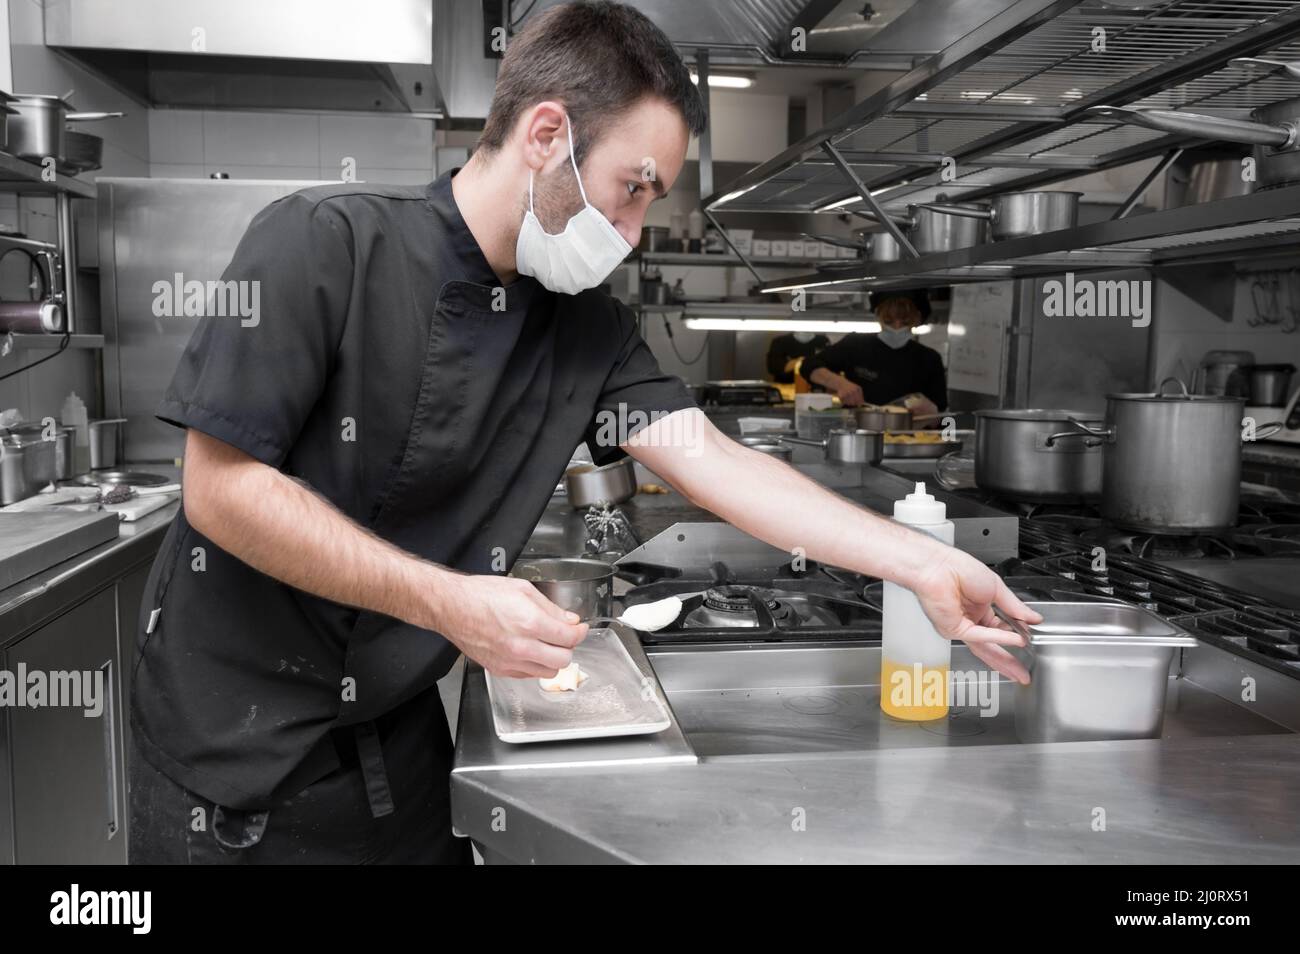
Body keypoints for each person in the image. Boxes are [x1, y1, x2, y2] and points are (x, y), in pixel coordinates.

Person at [129, 1, 1036, 865]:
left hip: (395, 739)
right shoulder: (324, 243)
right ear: (548, 135)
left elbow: (713, 459)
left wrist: (917, 563)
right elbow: (222, 491)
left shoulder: (582, 324)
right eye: (632, 190)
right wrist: (450, 603)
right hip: (236, 753)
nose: (636, 233)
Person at [801, 290, 947, 417]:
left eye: (904, 322)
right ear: (877, 315)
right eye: (889, 321)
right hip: (857, 431)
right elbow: (808, 366)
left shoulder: (929, 359)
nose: (896, 327)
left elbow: (940, 411)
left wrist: (932, 414)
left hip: (909, 437)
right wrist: (840, 383)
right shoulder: (855, 345)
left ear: (917, 319)